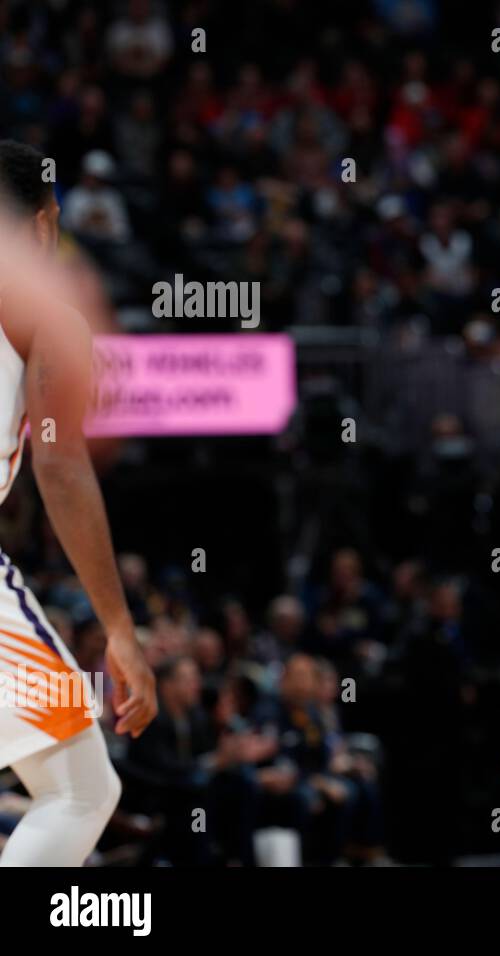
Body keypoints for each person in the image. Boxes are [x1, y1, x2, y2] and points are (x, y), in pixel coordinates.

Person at [0, 140, 157, 865]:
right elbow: (60, 466)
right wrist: (119, 627)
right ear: (43, 226)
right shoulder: (43, 312)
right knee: (80, 790)